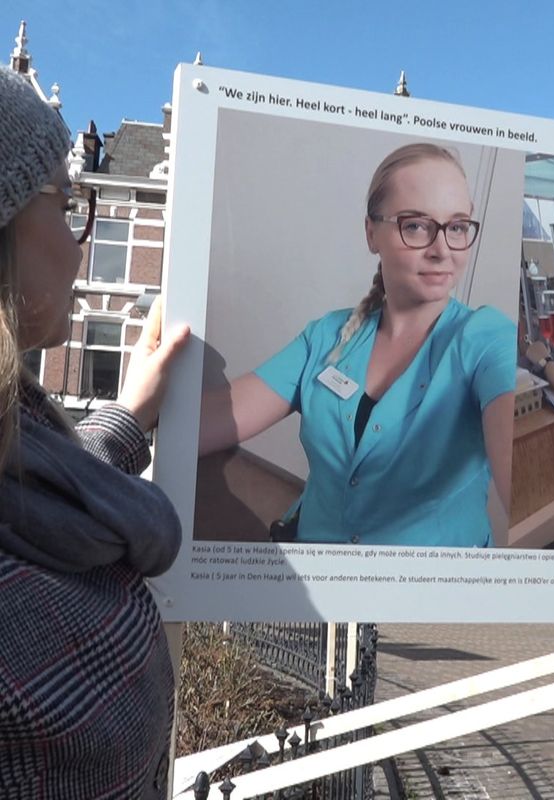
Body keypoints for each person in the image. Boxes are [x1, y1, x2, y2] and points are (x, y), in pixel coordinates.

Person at [0, 67, 189, 798]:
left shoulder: (23, 435)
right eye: (67, 200)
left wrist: (129, 411)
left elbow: (36, 491)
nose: (81, 239)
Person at [200, 143, 516, 547]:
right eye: (417, 225)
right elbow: (211, 421)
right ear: (371, 233)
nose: (442, 251)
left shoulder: (486, 338)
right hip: (316, 582)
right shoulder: (329, 337)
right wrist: (146, 403)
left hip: (426, 601)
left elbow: (511, 453)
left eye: (456, 227)